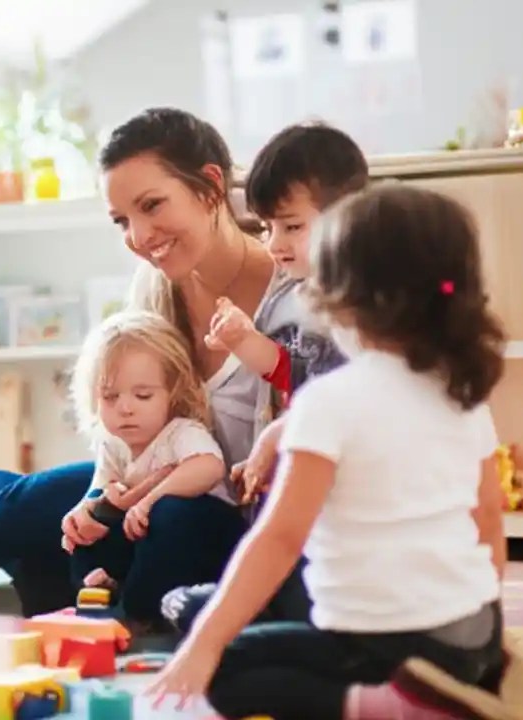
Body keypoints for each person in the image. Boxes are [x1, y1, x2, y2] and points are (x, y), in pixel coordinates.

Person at [0, 107, 289, 620]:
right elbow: (123, 430)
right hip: (149, 491)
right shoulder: (154, 287)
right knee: (9, 517)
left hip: (225, 512)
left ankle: (121, 603)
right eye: (123, 220)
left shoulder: (290, 290)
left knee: (166, 524)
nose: (139, 237)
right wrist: (100, 500)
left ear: (211, 186)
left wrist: (146, 496)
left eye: (151, 206)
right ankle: (91, 599)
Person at [147, 184, 513, 720]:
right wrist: (479, 624)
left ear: (337, 298)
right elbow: (489, 516)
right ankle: (475, 678)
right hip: (477, 633)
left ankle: (389, 705)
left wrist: (204, 645)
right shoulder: (461, 393)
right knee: (236, 628)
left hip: (383, 647)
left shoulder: (329, 400)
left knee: (223, 669)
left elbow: (280, 537)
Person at [161, 121, 367, 631]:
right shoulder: (288, 293)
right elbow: (290, 372)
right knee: (275, 546)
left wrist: (278, 434)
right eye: (267, 227)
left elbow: (351, 399)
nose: (275, 244)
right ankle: (260, 604)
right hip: (293, 486)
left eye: (292, 226)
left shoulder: (363, 304)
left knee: (310, 592)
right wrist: (244, 342)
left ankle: (274, 612)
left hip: (346, 499)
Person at [63, 310, 227, 616]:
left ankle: (138, 611)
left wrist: (149, 500)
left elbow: (209, 466)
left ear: (173, 393)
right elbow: (99, 488)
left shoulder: (181, 431)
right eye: (110, 397)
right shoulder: (112, 443)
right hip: (146, 535)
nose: (125, 408)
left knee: (167, 512)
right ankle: (99, 590)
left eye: (142, 396)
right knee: (91, 524)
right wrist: (81, 512)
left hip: (204, 534)